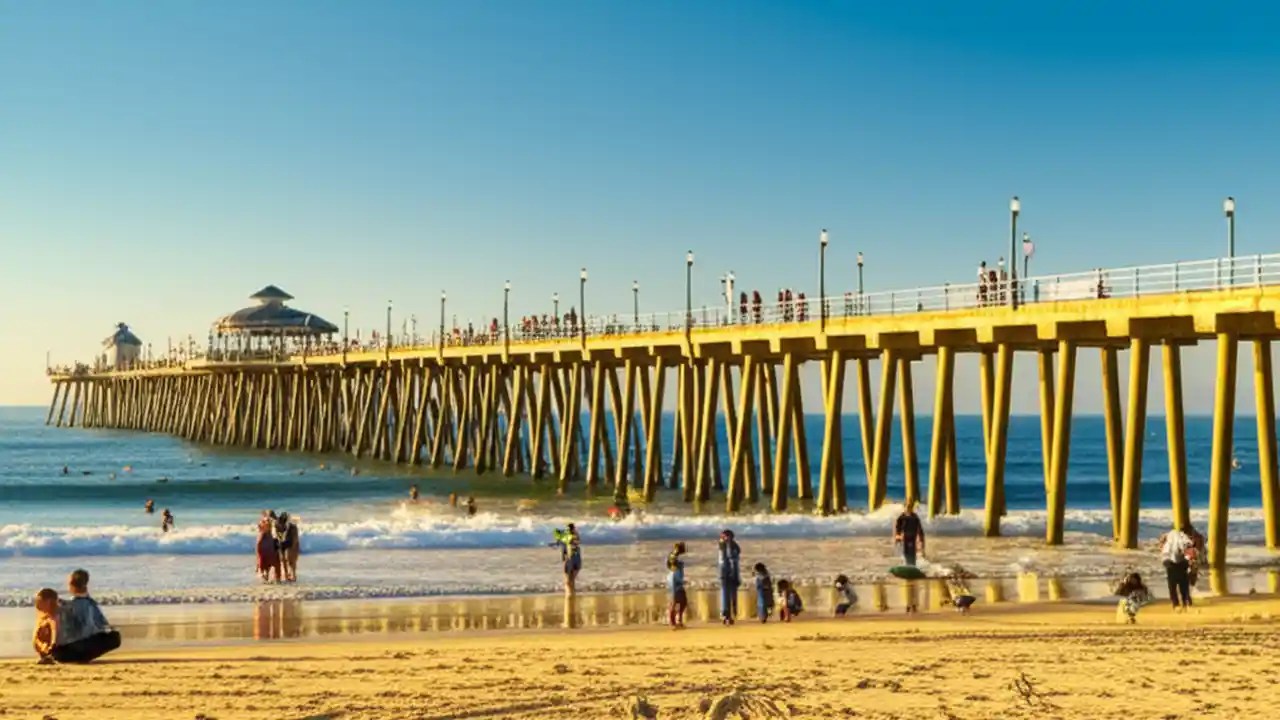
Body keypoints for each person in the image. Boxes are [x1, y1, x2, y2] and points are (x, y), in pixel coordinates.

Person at [51, 569, 121, 663]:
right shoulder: (89, 603)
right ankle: (81, 655)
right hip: (78, 647)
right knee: (114, 637)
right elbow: (102, 625)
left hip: (67, 650)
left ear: (71, 585)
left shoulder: (65, 605)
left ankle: (78, 655)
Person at [1158, 525, 1194, 610]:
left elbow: (1162, 545)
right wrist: (1190, 561)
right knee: (1183, 584)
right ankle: (1184, 602)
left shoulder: (1170, 534)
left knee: (1172, 585)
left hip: (1169, 560)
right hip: (1177, 561)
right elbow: (1188, 548)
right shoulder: (1183, 537)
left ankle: (1176, 604)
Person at [717, 529, 741, 625]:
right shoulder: (729, 545)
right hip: (729, 572)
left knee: (725, 594)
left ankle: (726, 615)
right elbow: (732, 559)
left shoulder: (723, 545)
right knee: (730, 595)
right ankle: (728, 615)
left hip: (724, 572)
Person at [552, 524, 582, 595]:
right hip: (577, 559)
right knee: (572, 579)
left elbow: (557, 534)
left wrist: (558, 540)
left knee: (568, 580)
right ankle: (572, 593)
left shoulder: (565, 537)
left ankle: (569, 595)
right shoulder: (576, 536)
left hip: (569, 559)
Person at [893, 501, 926, 566]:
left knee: (912, 553)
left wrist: (921, 540)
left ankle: (913, 565)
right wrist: (897, 537)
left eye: (910, 507)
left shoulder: (915, 517)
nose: (908, 508)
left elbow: (919, 529)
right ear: (904, 507)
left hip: (912, 538)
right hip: (904, 538)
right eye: (907, 507)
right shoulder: (901, 518)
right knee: (905, 552)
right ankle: (906, 565)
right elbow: (898, 529)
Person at [32, 588, 59, 664]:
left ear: (48, 602)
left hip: (51, 648)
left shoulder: (52, 617)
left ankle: (49, 655)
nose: (36, 604)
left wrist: (53, 644)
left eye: (38, 601)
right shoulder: (43, 616)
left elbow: (54, 629)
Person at [667, 542, 687, 630]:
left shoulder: (676, 556)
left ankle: (679, 620)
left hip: (677, 579)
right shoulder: (673, 555)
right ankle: (672, 622)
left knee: (683, 601)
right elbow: (670, 563)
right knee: (674, 601)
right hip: (674, 580)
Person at [256, 513, 281, 583]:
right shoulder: (262, 534)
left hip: (270, 552)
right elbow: (258, 547)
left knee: (274, 565)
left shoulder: (269, 529)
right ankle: (270, 578)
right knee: (266, 567)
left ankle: (276, 579)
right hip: (266, 553)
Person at [276, 512, 300, 582]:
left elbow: (295, 539)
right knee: (283, 560)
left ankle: (293, 575)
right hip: (283, 543)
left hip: (291, 542)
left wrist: (294, 547)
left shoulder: (293, 527)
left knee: (291, 561)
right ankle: (287, 575)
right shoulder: (278, 524)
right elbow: (277, 535)